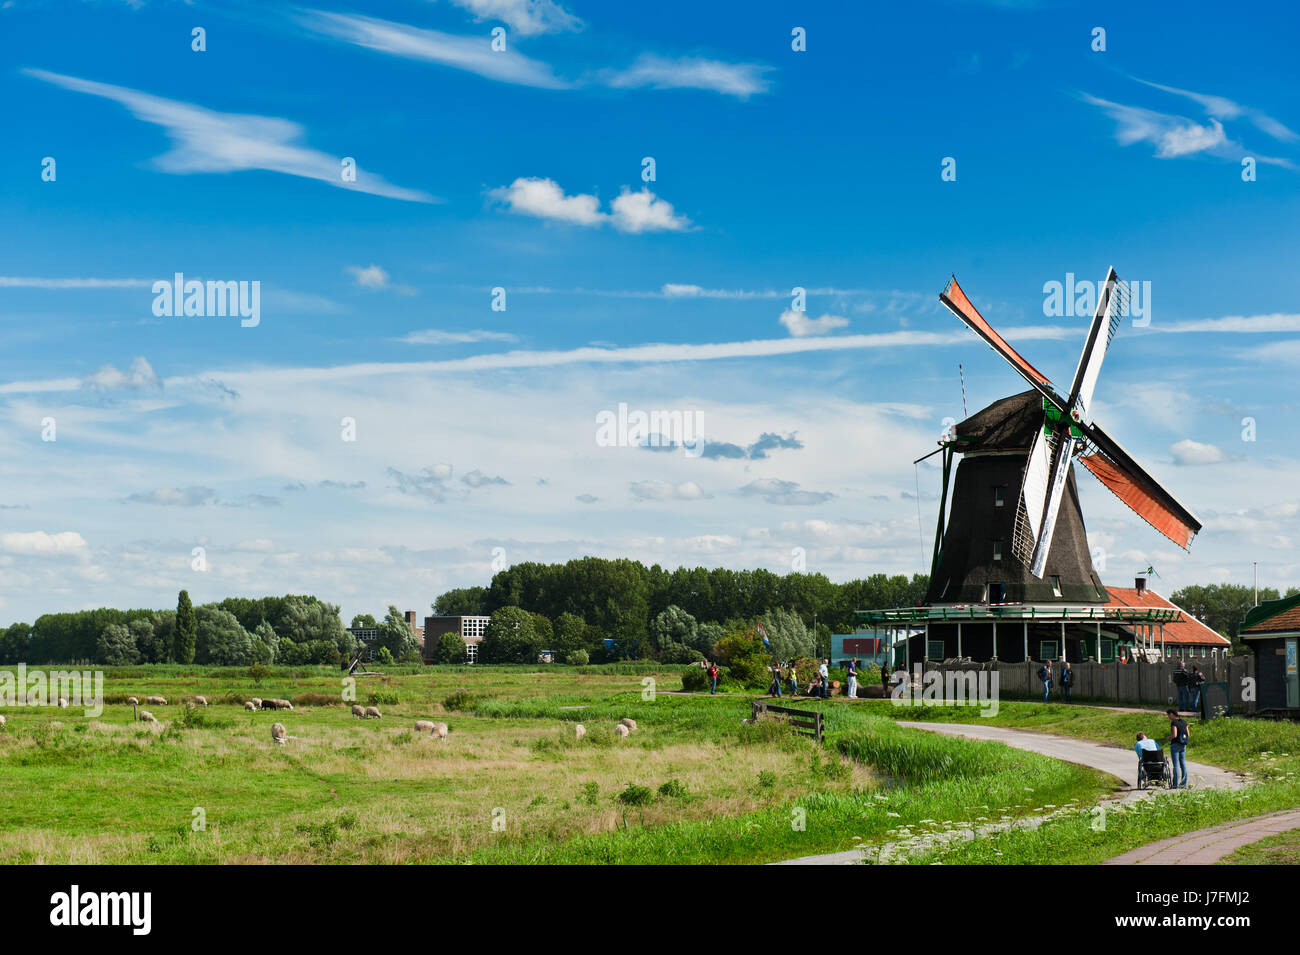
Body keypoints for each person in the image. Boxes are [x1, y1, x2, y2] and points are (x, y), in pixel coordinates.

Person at [1166, 708, 1190, 788]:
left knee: (1176, 765)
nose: (1168, 717)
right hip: (1183, 744)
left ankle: (1175, 784)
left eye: (1168, 715)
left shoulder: (1174, 722)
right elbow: (1188, 734)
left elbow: (1175, 735)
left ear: (1172, 714)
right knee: (1183, 764)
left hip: (1175, 745)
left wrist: (1169, 738)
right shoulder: (1184, 722)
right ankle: (1184, 783)